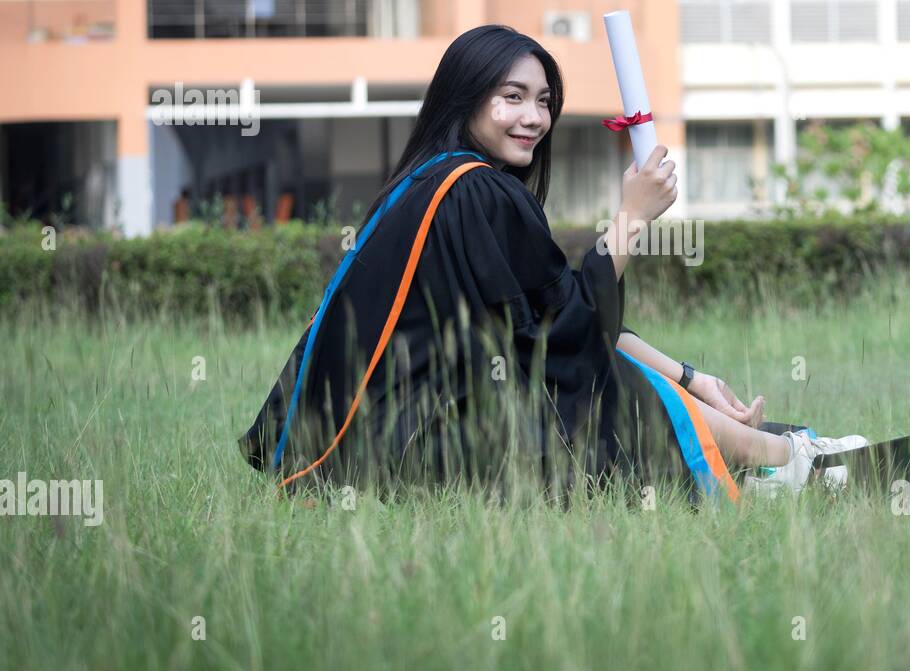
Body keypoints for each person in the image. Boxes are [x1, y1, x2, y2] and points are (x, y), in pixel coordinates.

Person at [239, 25, 867, 505]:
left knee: (576, 371)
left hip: (372, 447)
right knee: (590, 386)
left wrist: (692, 377)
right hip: (411, 451)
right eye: (512, 97)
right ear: (466, 98)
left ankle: (764, 460)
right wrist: (631, 219)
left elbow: (551, 312)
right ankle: (785, 460)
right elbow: (568, 333)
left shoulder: (429, 182)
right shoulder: (474, 189)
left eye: (543, 101)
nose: (534, 118)